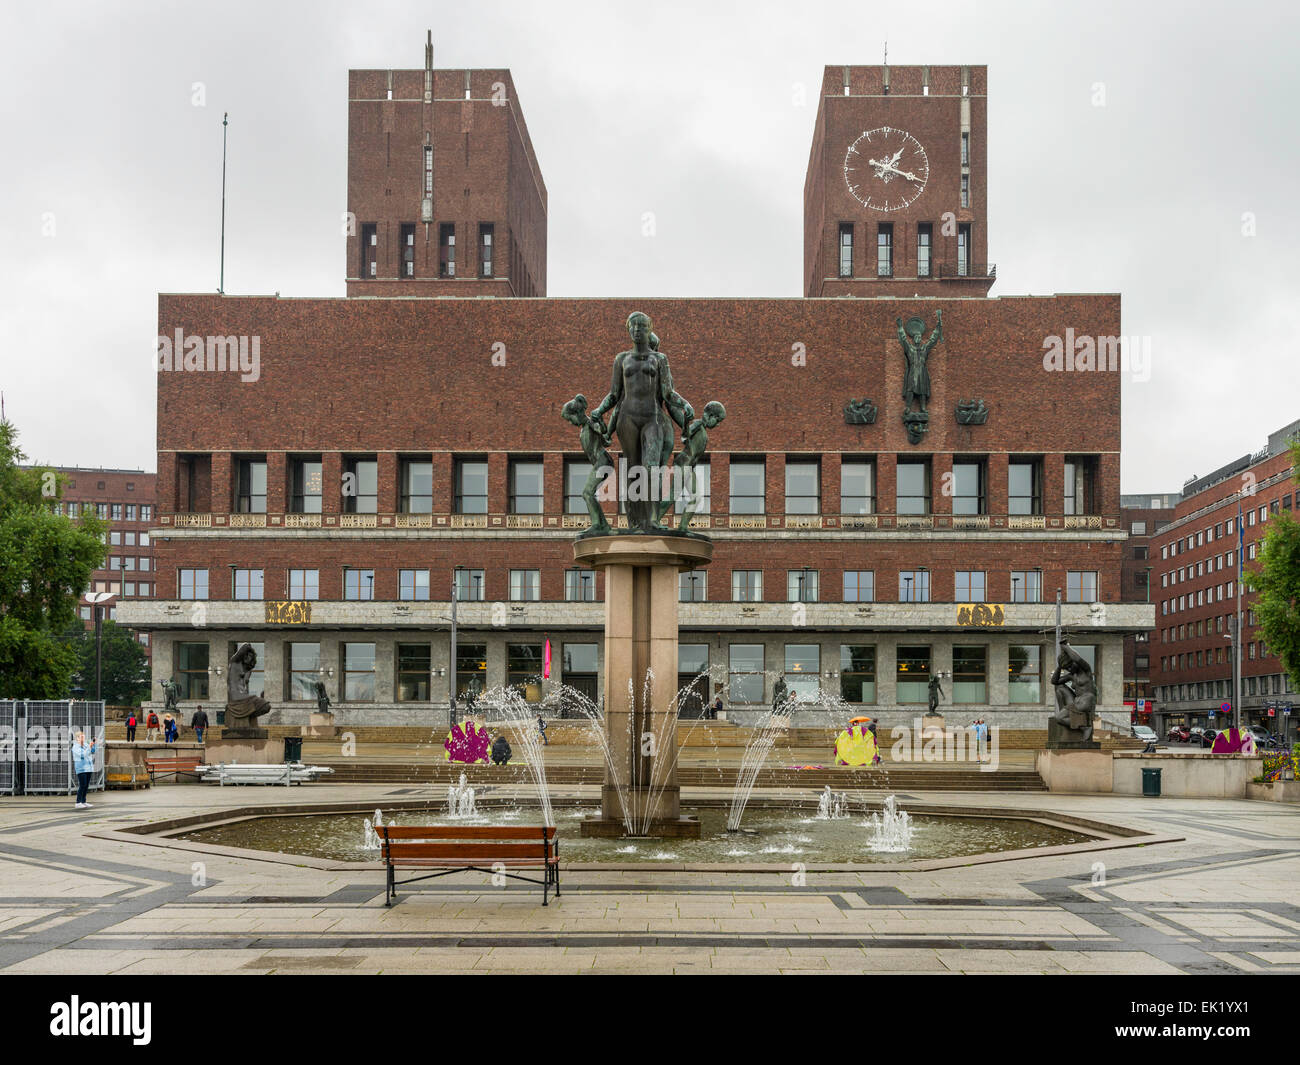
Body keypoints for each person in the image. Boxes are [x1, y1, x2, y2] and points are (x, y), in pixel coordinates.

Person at [71, 730, 97, 810]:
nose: (83, 738)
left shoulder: (86, 744)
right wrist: (89, 747)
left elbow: (92, 751)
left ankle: (83, 801)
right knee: (82, 785)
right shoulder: (75, 747)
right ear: (77, 738)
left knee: (86, 786)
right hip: (81, 768)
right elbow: (83, 754)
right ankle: (78, 802)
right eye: (81, 737)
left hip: (88, 768)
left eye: (83, 736)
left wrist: (93, 745)